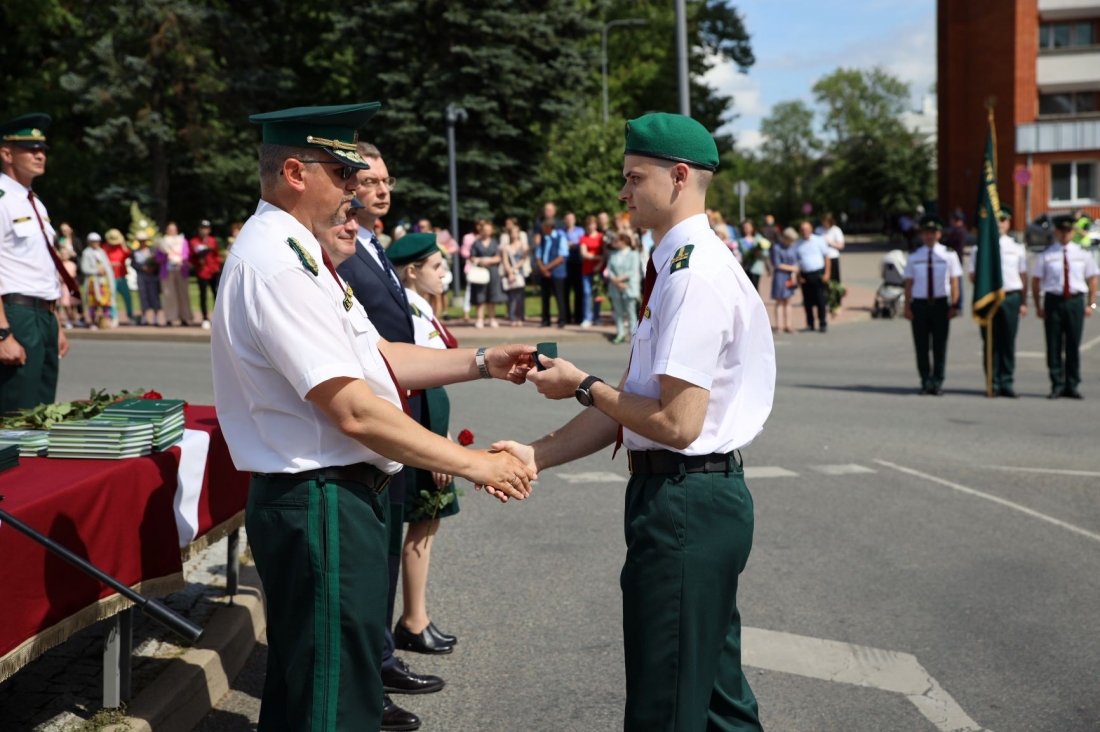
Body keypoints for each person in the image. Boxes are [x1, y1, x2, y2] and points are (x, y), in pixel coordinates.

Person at [211, 104, 535, 732]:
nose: (356, 191)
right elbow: (355, 410)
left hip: (333, 500)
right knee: (336, 704)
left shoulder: (302, 253)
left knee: (319, 692)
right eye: (343, 173)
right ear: (295, 172)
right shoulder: (279, 261)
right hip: (320, 499)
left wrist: (483, 361)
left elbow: (378, 356)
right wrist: (476, 464)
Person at [495, 112, 775, 732]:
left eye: (633, 177)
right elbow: (637, 410)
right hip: (691, 497)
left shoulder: (691, 275)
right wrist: (535, 453)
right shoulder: (680, 267)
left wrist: (583, 386)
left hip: (684, 499)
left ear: (678, 177)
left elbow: (674, 423)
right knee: (715, 702)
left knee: (665, 707)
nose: (621, 192)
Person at [336, 144, 439, 730]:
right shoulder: (344, 251)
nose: (379, 190)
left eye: (385, 180)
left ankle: (380, 659)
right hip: (371, 416)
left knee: (385, 544)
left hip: (397, 409)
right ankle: (368, 675)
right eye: (367, 181)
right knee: (371, 558)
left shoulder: (370, 245)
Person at [385, 233, 462, 658]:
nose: (443, 274)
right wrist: (435, 438)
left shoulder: (421, 307)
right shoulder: (410, 314)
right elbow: (417, 378)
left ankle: (417, 616)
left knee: (428, 520)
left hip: (431, 418)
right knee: (424, 517)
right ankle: (413, 620)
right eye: (436, 267)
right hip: (419, 419)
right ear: (412, 272)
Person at [0, 114, 76, 413]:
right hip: (15, 315)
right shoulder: (3, 200)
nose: (40, 154)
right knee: (15, 416)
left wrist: (54, 322)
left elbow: (40, 266)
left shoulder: (34, 202)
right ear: (6, 154)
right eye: (30, 149)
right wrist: (2, 332)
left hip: (42, 315)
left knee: (42, 415)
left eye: (42, 148)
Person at [1032, 214, 1099, 400]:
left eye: (1069, 231)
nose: (1065, 234)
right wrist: (1038, 305)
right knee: (1054, 345)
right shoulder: (1046, 255)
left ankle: (1072, 384)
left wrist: (1091, 303)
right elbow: (1036, 281)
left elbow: (1093, 278)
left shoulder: (1082, 254)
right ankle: (1057, 384)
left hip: (1075, 302)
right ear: (1056, 231)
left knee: (1073, 345)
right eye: (1062, 230)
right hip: (1054, 301)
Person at [968, 205, 1029, 398]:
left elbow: (1023, 276)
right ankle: (992, 382)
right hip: (990, 298)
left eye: (1003, 220)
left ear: (1009, 223)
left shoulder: (1017, 248)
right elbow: (973, 275)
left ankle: (1006, 382)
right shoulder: (981, 247)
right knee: (990, 341)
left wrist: (1022, 301)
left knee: (1008, 342)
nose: (1000, 224)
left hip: (1011, 297)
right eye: (997, 220)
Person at [904, 215, 962, 395]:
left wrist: (955, 305)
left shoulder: (949, 255)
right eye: (926, 233)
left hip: (940, 304)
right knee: (921, 346)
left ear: (939, 234)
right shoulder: (914, 257)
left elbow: (954, 282)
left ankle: (937, 382)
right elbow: (909, 284)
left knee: (939, 345)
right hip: (920, 305)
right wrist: (907, 306)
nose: (929, 236)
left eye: (933, 232)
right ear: (922, 235)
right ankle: (925, 381)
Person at [794, 220, 831, 333]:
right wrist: (798, 276)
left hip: (818, 273)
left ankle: (822, 323)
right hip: (805, 275)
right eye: (802, 229)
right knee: (807, 301)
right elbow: (796, 262)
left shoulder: (818, 240)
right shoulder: (798, 245)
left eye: (807, 229)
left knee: (820, 300)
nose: (805, 231)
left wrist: (827, 273)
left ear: (811, 229)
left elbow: (827, 257)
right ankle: (810, 323)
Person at [605, 231, 641, 343]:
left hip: (628, 286)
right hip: (615, 286)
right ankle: (620, 333)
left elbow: (633, 270)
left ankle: (633, 334)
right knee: (618, 312)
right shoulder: (613, 254)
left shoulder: (634, 254)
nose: (615, 243)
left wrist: (620, 280)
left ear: (624, 241)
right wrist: (615, 281)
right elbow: (609, 269)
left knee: (631, 312)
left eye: (617, 240)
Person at [470, 220, 505, 328]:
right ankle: (480, 319)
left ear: (492, 231)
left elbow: (499, 257)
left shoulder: (495, 242)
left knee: (492, 295)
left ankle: (492, 318)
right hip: (480, 272)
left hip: (492, 271)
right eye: (484, 230)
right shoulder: (476, 243)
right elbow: (472, 257)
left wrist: (489, 261)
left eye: (488, 230)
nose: (486, 232)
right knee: (480, 295)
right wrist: (480, 261)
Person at [536, 217, 569, 328]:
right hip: (545, 272)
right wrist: (542, 268)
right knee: (545, 297)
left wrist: (547, 268)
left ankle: (562, 320)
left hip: (557, 273)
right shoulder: (544, 239)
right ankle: (546, 319)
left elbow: (561, 257)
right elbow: (539, 254)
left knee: (560, 297)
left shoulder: (560, 238)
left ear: (549, 228)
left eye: (544, 228)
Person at [158, 222, 193, 326]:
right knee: (169, 294)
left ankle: (185, 317)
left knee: (183, 294)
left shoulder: (182, 241)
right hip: (167, 271)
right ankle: (170, 317)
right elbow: (158, 257)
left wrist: (180, 258)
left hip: (180, 270)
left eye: (173, 229)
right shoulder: (162, 242)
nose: (172, 231)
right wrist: (167, 256)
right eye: (170, 229)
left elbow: (186, 253)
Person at [189, 219, 222, 329]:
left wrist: (217, 266)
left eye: (206, 228)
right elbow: (191, 256)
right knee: (203, 295)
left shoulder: (212, 241)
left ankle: (218, 318)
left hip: (212, 271)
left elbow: (217, 255)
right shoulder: (194, 241)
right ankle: (205, 318)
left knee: (216, 294)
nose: (204, 230)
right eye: (202, 228)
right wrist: (198, 262)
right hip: (202, 272)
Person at [80, 232, 114, 329]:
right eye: (93, 242)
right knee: (93, 303)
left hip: (103, 282)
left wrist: (105, 270)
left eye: (97, 241)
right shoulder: (86, 253)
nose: (95, 243)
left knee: (105, 303)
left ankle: (105, 320)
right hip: (93, 282)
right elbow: (84, 268)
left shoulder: (102, 252)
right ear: (89, 242)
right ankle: (92, 321)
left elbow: (107, 265)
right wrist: (96, 271)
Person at [770, 227, 800, 334]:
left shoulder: (792, 248)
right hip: (780, 276)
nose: (792, 242)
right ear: (786, 238)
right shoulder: (776, 247)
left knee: (788, 300)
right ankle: (779, 326)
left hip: (789, 276)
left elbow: (795, 261)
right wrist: (792, 268)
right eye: (790, 240)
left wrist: (794, 274)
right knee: (779, 301)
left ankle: (789, 325)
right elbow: (777, 264)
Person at [132, 232, 164, 327]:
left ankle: (156, 318)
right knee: (143, 296)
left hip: (152, 276)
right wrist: (142, 268)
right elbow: (133, 264)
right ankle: (144, 318)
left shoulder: (152, 250)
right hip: (142, 276)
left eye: (144, 241)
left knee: (154, 296)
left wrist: (152, 268)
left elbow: (158, 262)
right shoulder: (135, 251)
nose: (142, 242)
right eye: (140, 241)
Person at [102, 229, 133, 325]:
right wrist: (111, 264)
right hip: (110, 278)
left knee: (127, 297)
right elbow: (101, 261)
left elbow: (128, 254)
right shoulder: (105, 248)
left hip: (122, 277)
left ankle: (130, 316)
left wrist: (123, 244)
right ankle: (114, 317)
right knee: (112, 298)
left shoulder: (121, 247)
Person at [499, 220, 527, 326]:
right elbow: (505, 260)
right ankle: (512, 317)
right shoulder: (506, 247)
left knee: (520, 296)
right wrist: (510, 271)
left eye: (516, 232)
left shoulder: (523, 246)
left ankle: (520, 316)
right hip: (510, 272)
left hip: (520, 272)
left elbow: (523, 260)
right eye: (512, 232)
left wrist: (514, 269)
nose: (514, 234)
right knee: (511, 297)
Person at [579, 215, 604, 327]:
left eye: (592, 224)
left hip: (598, 269)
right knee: (587, 293)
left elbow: (604, 254)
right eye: (588, 224)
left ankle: (597, 317)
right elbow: (584, 254)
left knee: (597, 294)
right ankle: (587, 318)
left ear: (595, 225)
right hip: (587, 270)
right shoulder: (583, 238)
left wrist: (599, 264)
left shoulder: (601, 237)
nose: (590, 226)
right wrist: (596, 257)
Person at [562, 212, 584, 325]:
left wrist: (569, 243)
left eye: (572, 219)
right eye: (567, 219)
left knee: (578, 291)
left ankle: (578, 317)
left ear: (575, 220)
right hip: (565, 264)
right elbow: (561, 244)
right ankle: (566, 317)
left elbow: (582, 242)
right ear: (564, 220)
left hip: (578, 264)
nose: (570, 221)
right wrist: (572, 243)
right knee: (565, 292)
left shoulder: (580, 230)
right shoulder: (561, 231)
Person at [739, 219, 770, 291]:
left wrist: (759, 253)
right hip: (745, 267)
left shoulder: (758, 238)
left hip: (756, 268)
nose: (746, 229)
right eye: (744, 227)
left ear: (752, 227)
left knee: (755, 288)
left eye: (747, 227)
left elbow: (766, 253)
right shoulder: (740, 240)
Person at [820, 212, 844, 285]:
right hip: (821, 257)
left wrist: (830, 242)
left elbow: (841, 245)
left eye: (827, 223)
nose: (825, 225)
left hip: (833, 256)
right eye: (824, 222)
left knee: (833, 279)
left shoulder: (836, 230)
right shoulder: (818, 230)